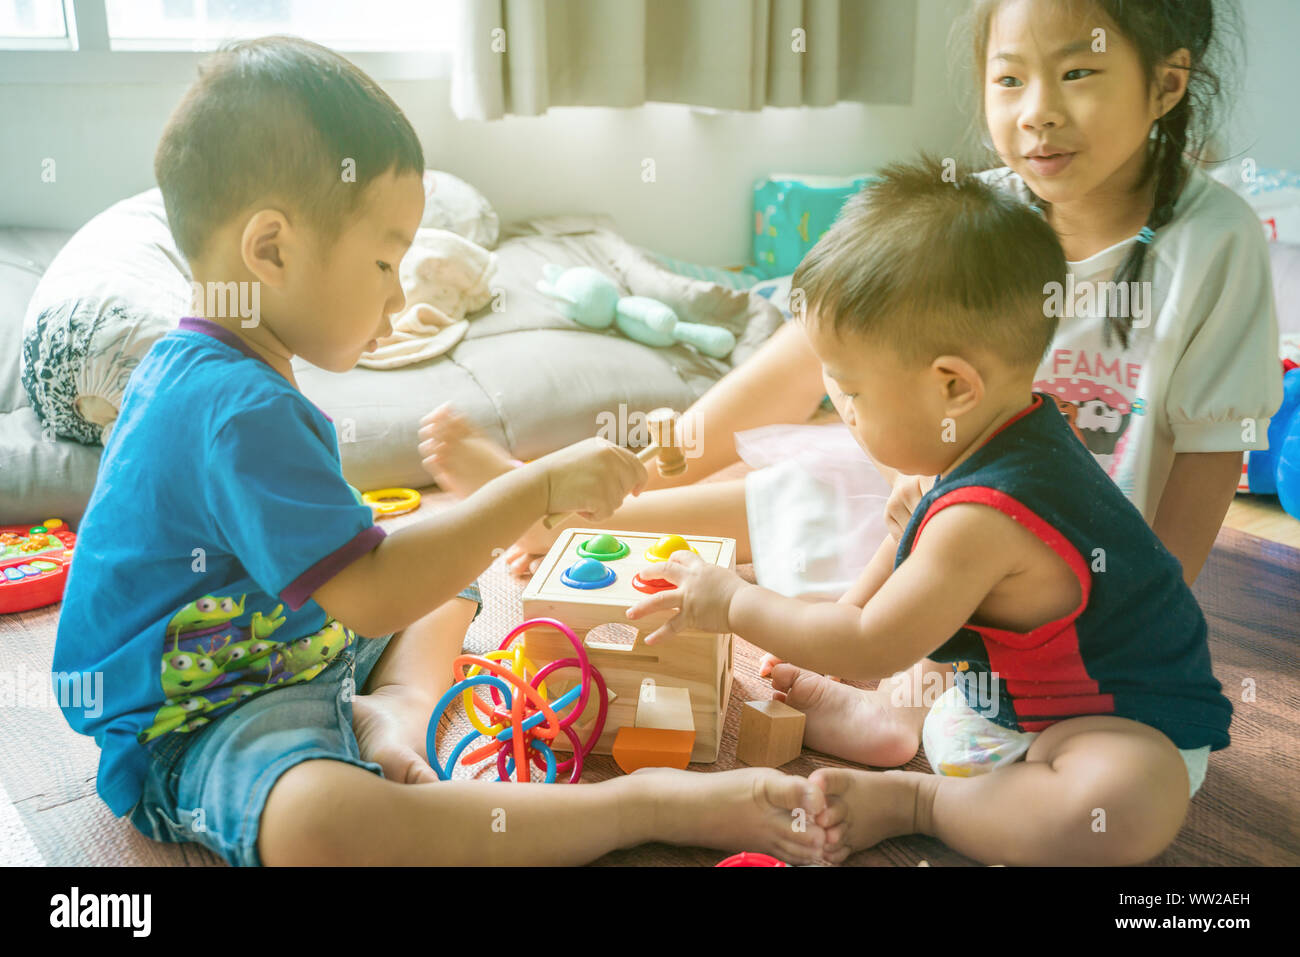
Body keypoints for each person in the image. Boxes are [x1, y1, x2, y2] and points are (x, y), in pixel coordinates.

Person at [51, 36, 828, 867]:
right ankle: (636, 806)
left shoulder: (220, 366)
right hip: (201, 714)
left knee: (440, 558)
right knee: (323, 823)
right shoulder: (230, 407)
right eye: (385, 261)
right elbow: (373, 592)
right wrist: (532, 488)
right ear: (270, 249)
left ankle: (401, 709)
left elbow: (374, 575)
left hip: (287, 640)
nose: (396, 293)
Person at [422, 0, 1279, 604]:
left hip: (1053, 557)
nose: (1038, 114)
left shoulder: (1215, 241)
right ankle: (594, 497)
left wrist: (1155, 604)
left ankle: (563, 514)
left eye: (1079, 73)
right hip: (928, 482)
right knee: (828, 399)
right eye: (1010, 80)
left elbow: (1211, 449)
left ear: (1167, 86)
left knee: (816, 491)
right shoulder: (979, 211)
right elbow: (840, 369)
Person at [626, 157, 1233, 866]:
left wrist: (733, 600)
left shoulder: (985, 516)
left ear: (952, 387)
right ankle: (882, 713)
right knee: (934, 625)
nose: (841, 413)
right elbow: (907, 568)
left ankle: (922, 801)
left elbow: (870, 640)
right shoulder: (1019, 430)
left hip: (1104, 724)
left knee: (1123, 803)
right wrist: (838, 653)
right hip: (996, 701)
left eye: (849, 392)